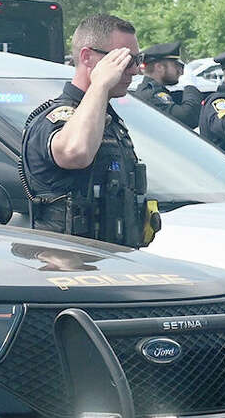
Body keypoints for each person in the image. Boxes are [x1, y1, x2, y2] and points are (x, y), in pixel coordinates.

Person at [20, 13, 157, 246]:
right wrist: (101, 84)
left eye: (137, 59)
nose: (134, 70)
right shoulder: (55, 119)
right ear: (87, 57)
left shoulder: (111, 121)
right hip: (69, 269)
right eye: (124, 59)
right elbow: (76, 153)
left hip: (116, 265)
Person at [132, 40, 201, 129]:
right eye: (176, 65)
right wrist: (190, 86)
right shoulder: (152, 95)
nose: (180, 70)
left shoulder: (155, 90)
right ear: (159, 67)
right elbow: (188, 117)